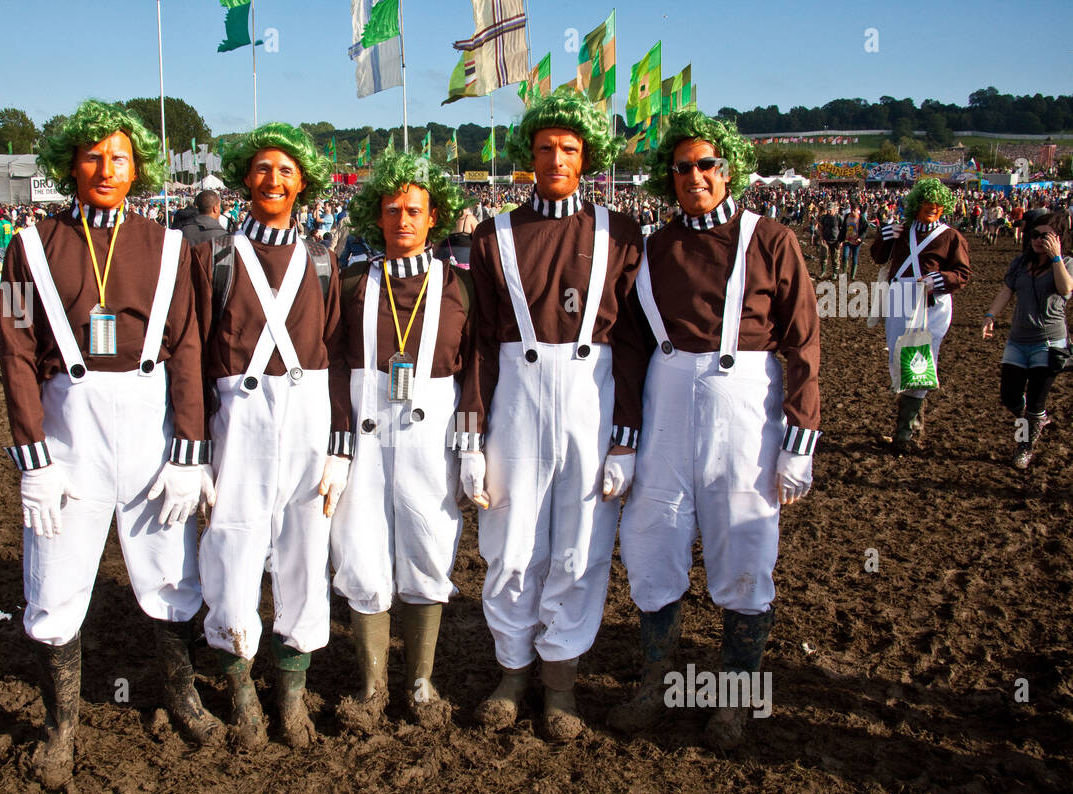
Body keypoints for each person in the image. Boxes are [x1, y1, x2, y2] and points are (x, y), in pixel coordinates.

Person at [0, 99, 218, 790]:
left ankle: (183, 695)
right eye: (92, 156)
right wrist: (32, 458)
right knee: (56, 582)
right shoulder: (27, 247)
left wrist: (190, 451)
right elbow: (14, 353)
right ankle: (60, 727)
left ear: (137, 167)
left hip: (151, 427)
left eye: (119, 156)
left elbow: (189, 350)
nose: (105, 168)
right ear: (70, 163)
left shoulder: (173, 245)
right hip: (70, 431)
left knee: (172, 573)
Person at [610, 110, 820, 749]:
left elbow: (806, 344)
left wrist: (799, 442)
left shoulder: (771, 239)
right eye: (682, 167)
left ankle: (732, 698)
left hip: (746, 409)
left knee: (746, 551)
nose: (695, 176)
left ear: (727, 170)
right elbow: (627, 346)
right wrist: (625, 436)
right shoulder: (650, 248)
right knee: (652, 539)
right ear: (667, 176)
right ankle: (654, 682)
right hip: (666, 403)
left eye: (706, 164)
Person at [456, 88, 644, 741]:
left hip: (589, 402)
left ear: (587, 154)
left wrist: (625, 437)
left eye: (569, 148)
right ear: (528, 155)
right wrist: (470, 436)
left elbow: (635, 342)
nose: (557, 158)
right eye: (545, 148)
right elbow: (477, 342)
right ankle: (512, 669)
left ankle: (559, 679)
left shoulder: (620, 231)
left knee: (581, 548)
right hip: (516, 398)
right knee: (509, 544)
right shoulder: (493, 233)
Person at [194, 122, 347, 750]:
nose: (274, 180)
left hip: (310, 419)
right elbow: (194, 357)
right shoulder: (216, 258)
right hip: (239, 420)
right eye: (262, 168)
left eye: (286, 170)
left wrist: (340, 446)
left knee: (306, 553)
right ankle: (241, 693)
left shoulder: (322, 260)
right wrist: (194, 450)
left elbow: (337, 356)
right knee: (231, 550)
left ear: (302, 180)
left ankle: (291, 693)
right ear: (244, 178)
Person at [332, 149, 472, 732]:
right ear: (377, 215)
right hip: (365, 434)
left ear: (433, 215)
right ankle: (370, 687)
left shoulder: (462, 286)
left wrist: (472, 442)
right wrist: (337, 441)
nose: (403, 220)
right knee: (359, 550)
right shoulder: (350, 284)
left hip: (431, 431)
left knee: (428, 547)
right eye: (392, 210)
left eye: (414, 209)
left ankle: (420, 682)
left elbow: (481, 366)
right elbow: (333, 364)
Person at [869, 178, 971, 454]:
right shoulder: (901, 231)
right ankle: (908, 427)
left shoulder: (951, 237)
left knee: (918, 363)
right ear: (916, 205)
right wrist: (884, 236)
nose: (932, 210)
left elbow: (962, 274)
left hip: (930, 305)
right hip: (899, 299)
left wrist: (939, 279)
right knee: (898, 359)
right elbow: (878, 257)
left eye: (937, 206)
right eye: (927, 205)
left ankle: (907, 433)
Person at [982, 211, 1073, 468]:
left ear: (1058, 238)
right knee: (1010, 396)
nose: (1037, 240)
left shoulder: (1065, 262)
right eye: (1034, 234)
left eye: (1045, 235)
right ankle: (1034, 420)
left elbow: (1066, 289)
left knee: (1035, 399)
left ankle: (1024, 445)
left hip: (1048, 343)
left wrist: (1055, 257)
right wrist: (990, 315)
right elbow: (1006, 290)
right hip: (1017, 340)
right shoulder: (1020, 263)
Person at [840, 205, 868, 280]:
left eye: (854, 211)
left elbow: (865, 230)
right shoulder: (847, 217)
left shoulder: (861, 218)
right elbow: (843, 228)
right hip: (847, 240)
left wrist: (860, 238)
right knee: (845, 256)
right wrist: (840, 239)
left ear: (857, 210)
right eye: (851, 210)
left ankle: (852, 275)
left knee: (854, 258)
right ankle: (844, 273)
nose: (852, 212)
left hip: (856, 241)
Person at [818, 201, 842, 279]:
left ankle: (835, 273)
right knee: (823, 256)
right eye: (828, 210)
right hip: (826, 239)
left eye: (830, 210)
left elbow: (843, 229)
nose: (828, 212)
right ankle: (823, 272)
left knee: (835, 257)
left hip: (835, 240)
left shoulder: (839, 218)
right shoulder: (824, 218)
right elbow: (821, 228)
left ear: (834, 210)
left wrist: (841, 241)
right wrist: (821, 237)